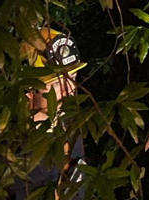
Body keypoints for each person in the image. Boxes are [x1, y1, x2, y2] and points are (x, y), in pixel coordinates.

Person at [16, 27, 87, 200]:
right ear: (29, 93)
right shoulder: (12, 152)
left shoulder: (70, 124)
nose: (68, 90)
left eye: (72, 78)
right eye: (56, 85)